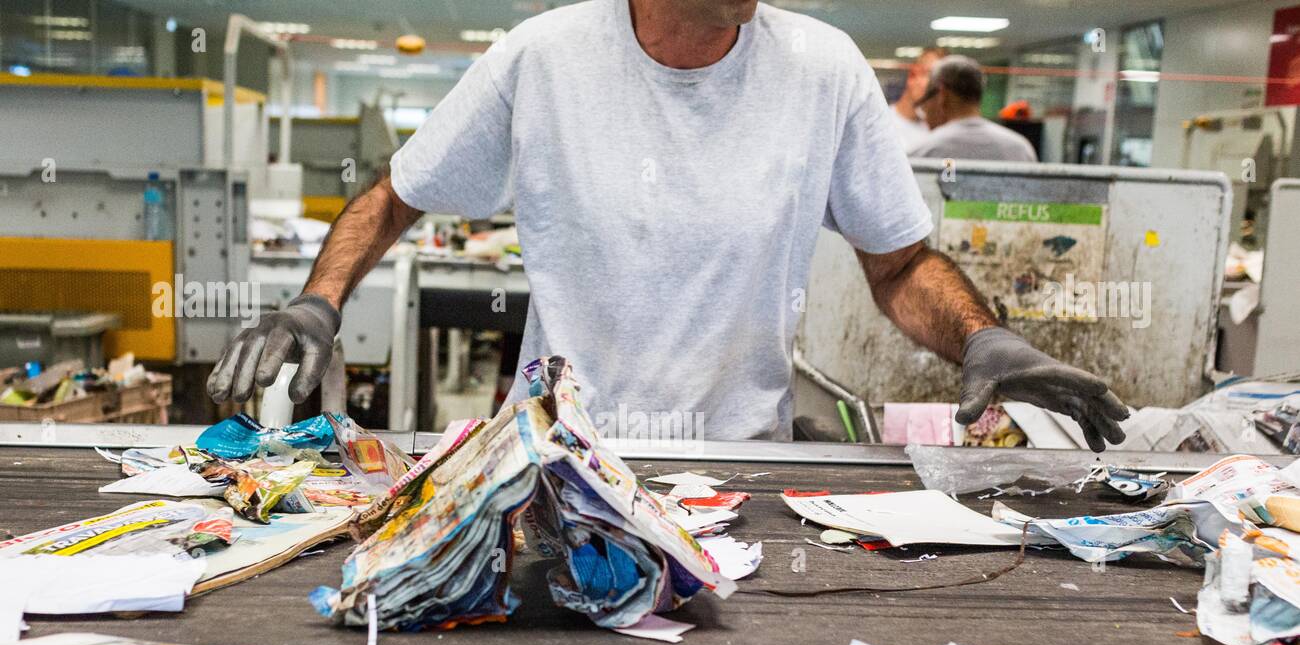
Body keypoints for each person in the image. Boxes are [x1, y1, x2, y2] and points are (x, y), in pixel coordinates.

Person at [208, 0, 1125, 451]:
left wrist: (981, 335)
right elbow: (394, 193)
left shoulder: (825, 70)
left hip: (741, 471)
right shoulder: (543, 58)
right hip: (554, 464)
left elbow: (899, 264)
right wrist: (316, 307)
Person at [910, 55, 1038, 162]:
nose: (925, 110)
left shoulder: (924, 152)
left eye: (926, 99)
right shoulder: (1020, 149)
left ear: (942, 95)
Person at [891, 47, 945, 153]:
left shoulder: (938, 131)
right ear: (913, 75)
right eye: (932, 77)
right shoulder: (883, 122)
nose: (937, 88)